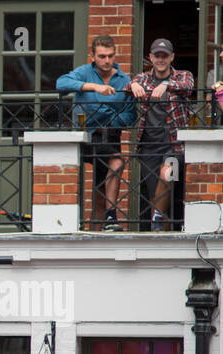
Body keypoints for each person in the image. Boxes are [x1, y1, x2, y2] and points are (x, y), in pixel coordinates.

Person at [56, 35, 136, 230]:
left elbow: (130, 116)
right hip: (86, 136)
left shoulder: (123, 80)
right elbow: (61, 83)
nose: (107, 61)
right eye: (101, 56)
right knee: (116, 162)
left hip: (110, 136)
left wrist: (104, 114)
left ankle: (102, 227)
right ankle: (111, 217)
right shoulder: (84, 72)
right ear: (93, 56)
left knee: (101, 189)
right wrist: (93, 87)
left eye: (110, 56)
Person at [129, 39, 194, 231]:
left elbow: (187, 87)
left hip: (174, 146)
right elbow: (128, 86)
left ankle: (157, 223)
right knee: (156, 194)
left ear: (172, 57)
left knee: (168, 175)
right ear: (150, 57)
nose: (160, 60)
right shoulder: (142, 78)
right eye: (157, 56)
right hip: (149, 146)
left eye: (164, 56)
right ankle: (158, 233)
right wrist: (133, 85)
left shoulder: (183, 75)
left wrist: (166, 84)